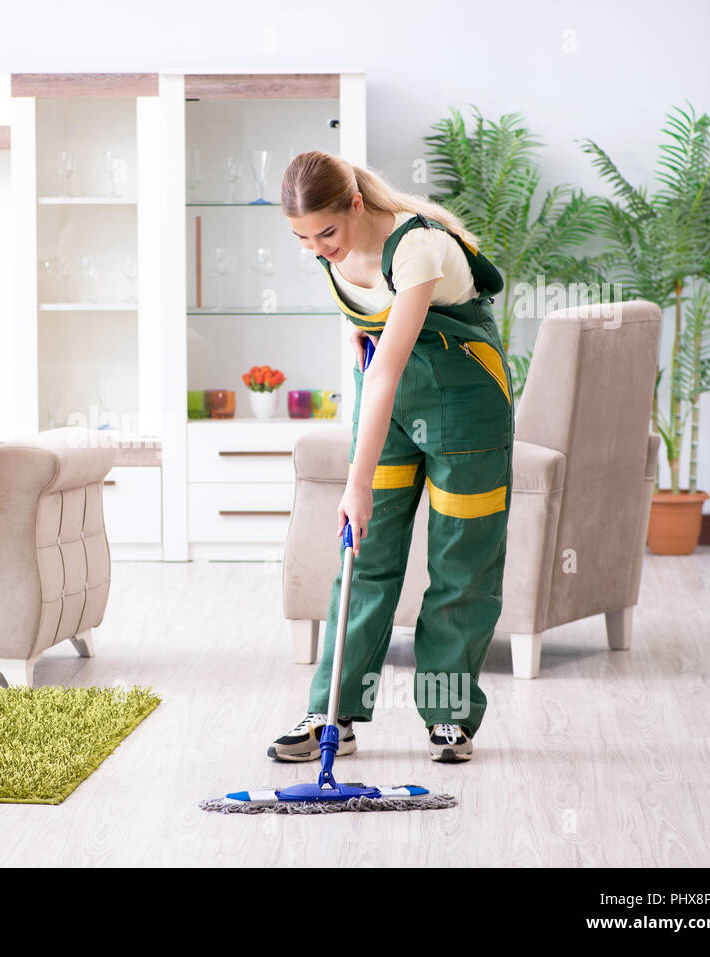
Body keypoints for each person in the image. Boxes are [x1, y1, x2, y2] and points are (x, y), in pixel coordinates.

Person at [268, 151, 513, 764]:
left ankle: (449, 718)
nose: (317, 248)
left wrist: (355, 483)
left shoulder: (418, 248)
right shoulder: (332, 249)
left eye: (326, 231)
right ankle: (333, 715)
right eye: (302, 237)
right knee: (364, 555)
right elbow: (371, 324)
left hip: (466, 403)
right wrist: (357, 324)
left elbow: (387, 370)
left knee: (461, 563)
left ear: (354, 204)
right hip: (393, 405)